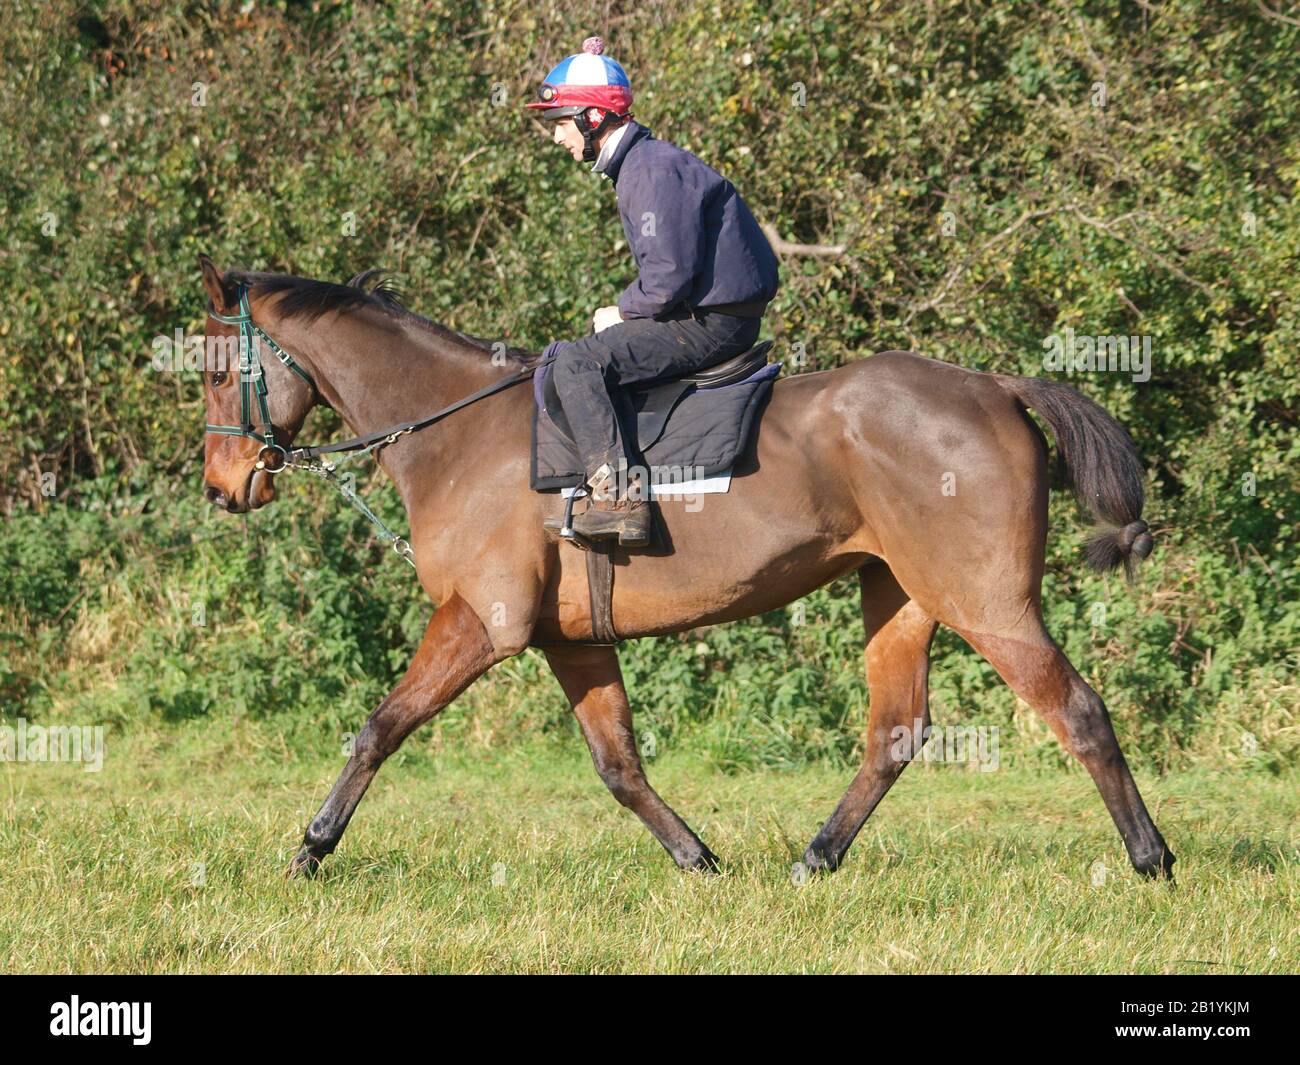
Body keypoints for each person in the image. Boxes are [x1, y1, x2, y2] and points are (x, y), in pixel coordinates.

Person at [525, 36, 780, 545]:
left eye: (559, 124)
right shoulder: (644, 165)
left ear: (592, 118)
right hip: (711, 314)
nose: (556, 139)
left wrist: (621, 310)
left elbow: (667, 279)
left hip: (709, 324)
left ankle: (622, 500)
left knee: (577, 363)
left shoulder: (649, 169)